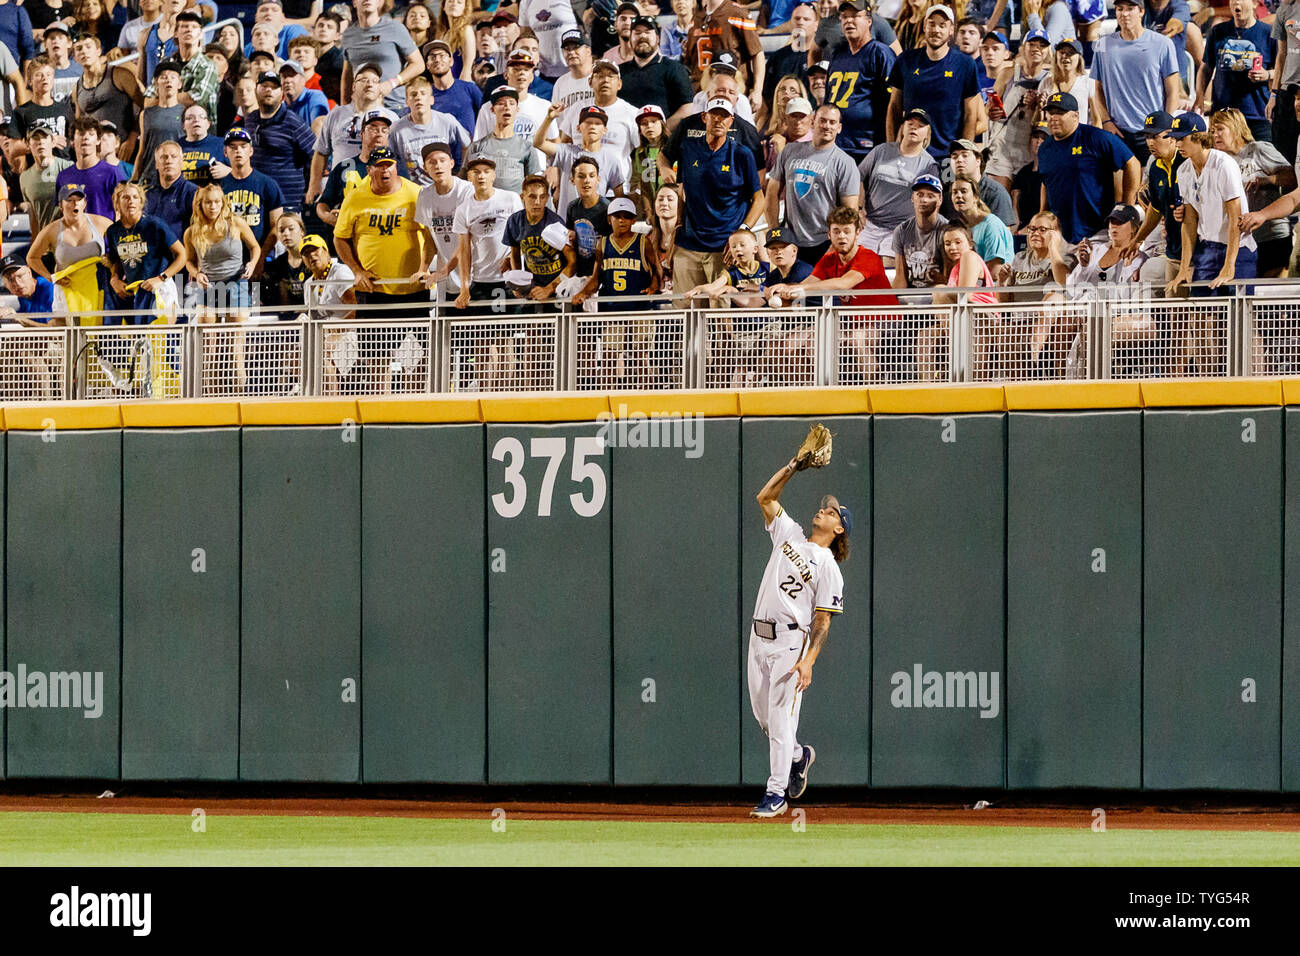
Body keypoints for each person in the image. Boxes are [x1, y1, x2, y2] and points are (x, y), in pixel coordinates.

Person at [746, 454, 848, 819]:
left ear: (839, 530)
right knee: (765, 717)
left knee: (779, 719)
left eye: (833, 513)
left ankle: (775, 795)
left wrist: (809, 661)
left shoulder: (829, 568)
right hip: (759, 639)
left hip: (791, 644)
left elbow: (823, 620)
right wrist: (793, 466)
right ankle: (797, 756)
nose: (824, 512)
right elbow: (765, 498)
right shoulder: (789, 534)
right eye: (826, 509)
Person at [670, 97, 764, 301]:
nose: (719, 120)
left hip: (723, 248)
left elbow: (759, 199)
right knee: (685, 310)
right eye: (714, 115)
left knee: (721, 318)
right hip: (688, 245)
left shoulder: (742, 154)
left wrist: (741, 233)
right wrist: (678, 223)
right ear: (705, 117)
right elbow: (681, 189)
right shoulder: (688, 148)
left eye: (724, 116)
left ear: (731, 121)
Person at [1167, 112, 1257, 307]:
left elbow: (1236, 219)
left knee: (1239, 315)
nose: (1177, 144)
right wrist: (1184, 268)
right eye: (1175, 139)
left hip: (1238, 249)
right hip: (1208, 247)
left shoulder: (1224, 164)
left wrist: (1229, 265)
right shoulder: (1183, 171)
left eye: (1182, 139)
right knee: (1202, 312)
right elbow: (1189, 222)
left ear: (1199, 137)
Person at [573, 196, 661, 387]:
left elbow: (656, 271)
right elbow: (595, 279)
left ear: (632, 220)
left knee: (641, 357)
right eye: (617, 216)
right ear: (609, 219)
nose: (622, 220)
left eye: (627, 217)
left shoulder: (642, 242)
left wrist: (654, 287)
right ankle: (607, 398)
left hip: (640, 308)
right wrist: (583, 292)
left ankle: (646, 398)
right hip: (612, 309)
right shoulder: (602, 244)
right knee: (609, 357)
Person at [333, 145, 429, 314]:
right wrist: (357, 271)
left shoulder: (416, 194)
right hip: (372, 289)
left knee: (428, 341)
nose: (385, 170)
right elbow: (340, 238)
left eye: (389, 165)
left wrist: (424, 267)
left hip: (413, 288)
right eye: (379, 166)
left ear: (396, 167)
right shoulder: (355, 198)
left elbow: (430, 235)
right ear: (369, 169)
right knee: (374, 341)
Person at [1037, 91, 1141, 244]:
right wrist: (1042, 215)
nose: (1054, 118)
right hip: (1061, 233)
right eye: (1050, 113)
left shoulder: (1095, 138)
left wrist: (1127, 205)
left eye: (1060, 113)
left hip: (1098, 231)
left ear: (1076, 116)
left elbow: (1132, 163)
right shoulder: (1045, 148)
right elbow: (1046, 182)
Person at [885, 4, 981, 163]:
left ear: (951, 30)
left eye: (942, 25)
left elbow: (971, 115)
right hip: (909, 153)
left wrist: (964, 153)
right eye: (932, 24)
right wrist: (890, 147)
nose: (936, 30)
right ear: (924, 26)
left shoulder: (965, 64)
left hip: (947, 156)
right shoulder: (905, 60)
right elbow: (894, 107)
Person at [767, 103, 861, 266]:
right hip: (791, 240)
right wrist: (776, 232)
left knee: (819, 290)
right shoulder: (790, 151)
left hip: (824, 243)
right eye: (822, 120)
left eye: (832, 122)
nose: (827, 126)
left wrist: (834, 246)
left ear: (839, 128)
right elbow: (771, 192)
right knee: (789, 290)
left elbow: (850, 213)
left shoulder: (845, 163)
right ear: (812, 122)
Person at [1090, 0, 1182, 164]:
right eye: (1120, 9)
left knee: (1151, 185)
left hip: (1153, 131)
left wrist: (1165, 127)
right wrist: (1106, 122)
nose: (1124, 14)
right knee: (1119, 188)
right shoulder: (1102, 45)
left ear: (1141, 11)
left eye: (1130, 9)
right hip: (1117, 131)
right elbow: (1097, 89)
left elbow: (1173, 91)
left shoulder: (1163, 44)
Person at [1210, 107, 1294, 276]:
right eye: (1212, 130)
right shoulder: (1219, 162)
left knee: (1270, 297)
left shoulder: (1258, 149)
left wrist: (1266, 181)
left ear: (1236, 127)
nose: (1215, 135)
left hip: (1272, 236)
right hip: (1243, 242)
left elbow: (1292, 177)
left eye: (1220, 129)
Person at [104, 181, 187, 325]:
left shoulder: (154, 224)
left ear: (141, 201)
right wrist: (115, 278)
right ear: (117, 202)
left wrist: (161, 278)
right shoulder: (113, 231)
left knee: (163, 341)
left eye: (135, 197)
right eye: (126, 197)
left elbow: (182, 255)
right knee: (140, 343)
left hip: (161, 288)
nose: (131, 201)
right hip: (136, 292)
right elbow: (117, 260)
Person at [26, 183, 113, 320]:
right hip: (68, 289)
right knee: (71, 335)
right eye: (69, 200)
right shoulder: (52, 230)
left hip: (96, 289)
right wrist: (51, 277)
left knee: (97, 335)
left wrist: (111, 261)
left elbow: (121, 242)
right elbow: (32, 258)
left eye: (79, 200)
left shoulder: (102, 223)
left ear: (84, 203)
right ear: (60, 205)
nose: (75, 204)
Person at [823, 0, 895, 162]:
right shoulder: (837, 55)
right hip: (836, 142)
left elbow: (893, 102)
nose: (849, 20)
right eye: (844, 17)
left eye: (855, 16)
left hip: (866, 145)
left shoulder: (881, 53)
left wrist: (890, 144)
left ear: (869, 21)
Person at [452, 155, 525, 311]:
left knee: (512, 331)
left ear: (494, 175)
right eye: (476, 172)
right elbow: (464, 251)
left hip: (509, 278)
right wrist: (464, 287)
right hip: (481, 279)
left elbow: (522, 235)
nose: (481, 176)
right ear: (468, 176)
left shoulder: (511, 198)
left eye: (486, 171)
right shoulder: (463, 209)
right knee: (482, 332)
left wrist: (512, 258)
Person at [242, 69, 318, 214]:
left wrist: (311, 188)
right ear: (256, 90)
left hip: (288, 203)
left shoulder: (292, 121)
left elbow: (316, 156)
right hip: (256, 201)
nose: (268, 90)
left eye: (274, 87)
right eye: (264, 86)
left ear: (281, 93)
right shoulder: (251, 119)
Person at [1198, 0, 1275, 142]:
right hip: (1224, 116)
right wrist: (1199, 96)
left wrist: (1267, 74)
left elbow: (1280, 70)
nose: (1236, 3)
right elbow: (1206, 68)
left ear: (1254, 4)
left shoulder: (1268, 33)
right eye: (1233, 0)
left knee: (1262, 162)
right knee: (1222, 162)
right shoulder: (1218, 32)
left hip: (1256, 115)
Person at [309, 62, 386, 204]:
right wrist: (314, 184)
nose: (369, 84)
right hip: (340, 189)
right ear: (353, 86)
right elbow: (321, 151)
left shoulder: (390, 118)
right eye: (364, 80)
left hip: (376, 189)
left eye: (375, 81)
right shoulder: (336, 114)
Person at [182, 183, 260, 324]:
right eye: (208, 202)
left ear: (223, 203)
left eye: (217, 202)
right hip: (209, 285)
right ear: (201, 205)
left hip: (235, 280)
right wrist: (197, 274)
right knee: (207, 335)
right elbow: (189, 261)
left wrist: (252, 263)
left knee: (235, 334)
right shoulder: (191, 232)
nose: (213, 206)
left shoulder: (236, 223)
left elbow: (255, 247)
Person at [985, 29, 1052, 190]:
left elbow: (1052, 119)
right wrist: (992, 111)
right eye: (1032, 44)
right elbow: (989, 107)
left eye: (1042, 45)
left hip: (1031, 153)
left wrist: (1039, 105)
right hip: (1003, 149)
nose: (1036, 48)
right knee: (999, 202)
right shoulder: (1008, 73)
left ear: (1048, 51)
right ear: (1023, 48)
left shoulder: (1050, 79)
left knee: (1024, 207)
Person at [414, 141, 475, 306]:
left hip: (473, 275)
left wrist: (443, 271)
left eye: (442, 160)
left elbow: (467, 239)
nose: (438, 166)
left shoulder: (467, 190)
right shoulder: (424, 195)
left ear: (452, 163)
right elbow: (429, 237)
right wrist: (423, 268)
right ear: (425, 168)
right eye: (432, 162)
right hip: (446, 280)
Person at [536, 102, 629, 211]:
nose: (592, 126)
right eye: (588, 122)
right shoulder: (567, 152)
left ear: (605, 130)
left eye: (598, 123)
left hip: (597, 223)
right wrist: (548, 119)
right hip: (567, 223)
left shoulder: (611, 160)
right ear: (579, 128)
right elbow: (539, 143)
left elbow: (619, 199)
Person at [219, 127, 285, 278]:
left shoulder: (267, 184)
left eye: (243, 146)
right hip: (227, 261)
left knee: (256, 300)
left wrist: (260, 259)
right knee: (229, 301)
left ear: (251, 151)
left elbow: (276, 227)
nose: (238, 151)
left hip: (262, 258)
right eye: (233, 147)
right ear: (225, 152)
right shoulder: (219, 186)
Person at [684, 0, 767, 115]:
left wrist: (757, 90)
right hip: (701, 93)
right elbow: (690, 60)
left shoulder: (737, 13)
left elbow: (757, 53)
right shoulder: (696, 18)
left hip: (730, 92)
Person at [340, 0, 423, 112]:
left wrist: (392, 83)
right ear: (354, 3)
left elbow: (418, 64)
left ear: (379, 2)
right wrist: (344, 107)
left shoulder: (395, 28)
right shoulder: (348, 35)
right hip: (360, 108)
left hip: (393, 107)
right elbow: (347, 74)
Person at [504, 173, 576, 303]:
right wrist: (517, 281)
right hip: (532, 287)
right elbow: (514, 254)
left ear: (547, 198)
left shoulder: (555, 223)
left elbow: (572, 262)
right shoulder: (514, 221)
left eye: (542, 197)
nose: (537, 202)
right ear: (522, 197)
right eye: (532, 196)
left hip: (558, 288)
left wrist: (549, 288)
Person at [389, 74, 469, 183]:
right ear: (407, 102)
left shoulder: (447, 121)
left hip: (444, 185)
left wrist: (462, 173)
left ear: (431, 100)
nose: (418, 97)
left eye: (423, 93)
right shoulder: (396, 129)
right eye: (413, 94)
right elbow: (390, 160)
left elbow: (468, 146)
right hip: (413, 189)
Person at [618, 15, 695, 125]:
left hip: (662, 139)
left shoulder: (673, 69)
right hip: (626, 137)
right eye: (637, 32)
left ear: (658, 38)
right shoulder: (619, 72)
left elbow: (688, 107)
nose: (642, 36)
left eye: (648, 32)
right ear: (630, 39)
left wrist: (662, 132)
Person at [56, 116, 126, 220]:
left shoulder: (112, 173)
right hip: (73, 235)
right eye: (81, 133)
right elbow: (60, 214)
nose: (86, 137)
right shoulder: (63, 177)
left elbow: (123, 212)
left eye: (91, 134)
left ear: (98, 140)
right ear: (72, 141)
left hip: (104, 235)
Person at [891, 172, 949, 294]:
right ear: (913, 198)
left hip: (939, 296)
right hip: (911, 296)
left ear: (940, 200)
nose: (924, 200)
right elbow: (901, 277)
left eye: (930, 195)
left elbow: (948, 279)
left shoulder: (947, 230)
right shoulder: (901, 230)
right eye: (920, 195)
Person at [133, 60, 184, 188]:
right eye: (164, 77)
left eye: (173, 77)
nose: (168, 81)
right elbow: (142, 150)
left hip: (177, 177)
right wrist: (134, 178)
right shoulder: (146, 114)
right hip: (150, 177)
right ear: (156, 82)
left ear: (179, 83)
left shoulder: (186, 113)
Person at [942, 139, 1016, 227]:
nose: (959, 160)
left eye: (965, 155)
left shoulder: (996, 192)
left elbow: (1004, 233)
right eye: (954, 157)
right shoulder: (947, 193)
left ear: (978, 160)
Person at [949, 173, 1014, 271]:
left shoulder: (991, 226)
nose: (958, 196)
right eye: (955, 192)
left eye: (963, 191)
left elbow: (995, 272)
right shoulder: (962, 226)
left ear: (976, 197)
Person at [19, 127, 71, 237]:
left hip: (68, 240)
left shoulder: (68, 168)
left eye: (45, 137)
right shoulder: (24, 177)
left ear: (53, 142)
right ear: (28, 144)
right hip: (45, 243)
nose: (41, 142)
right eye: (35, 138)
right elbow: (33, 216)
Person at [144, 140, 199, 240]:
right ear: (156, 164)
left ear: (182, 162)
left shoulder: (193, 193)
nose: (168, 161)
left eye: (173, 156)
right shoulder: (147, 196)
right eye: (164, 157)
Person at [428, 36, 483, 134]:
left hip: (470, 148)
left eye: (441, 55)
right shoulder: (426, 95)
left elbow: (485, 117)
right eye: (432, 57)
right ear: (427, 65)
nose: (437, 60)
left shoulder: (469, 89)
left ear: (451, 61)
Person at [1038, 35, 1096, 127]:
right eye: (1062, 52)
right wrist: (1040, 106)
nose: (1065, 56)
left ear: (1079, 58)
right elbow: (1039, 119)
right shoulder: (1046, 82)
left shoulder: (1088, 82)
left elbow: (1096, 119)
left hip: (1079, 138)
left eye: (1071, 53)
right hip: (1053, 137)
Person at [178, 103, 230, 186]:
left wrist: (228, 171)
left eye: (201, 117)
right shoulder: (176, 148)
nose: (196, 120)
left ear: (208, 124)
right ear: (183, 125)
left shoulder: (222, 145)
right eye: (190, 118)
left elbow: (243, 173)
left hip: (211, 196)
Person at [552, 28, 596, 114]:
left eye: (576, 47)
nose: (571, 52)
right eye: (567, 48)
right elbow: (557, 117)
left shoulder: (601, 76)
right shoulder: (560, 83)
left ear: (588, 51)